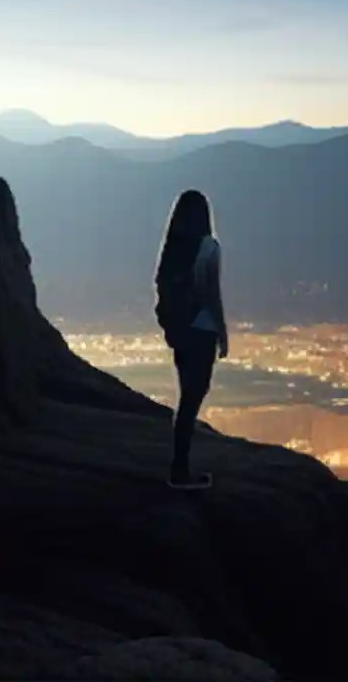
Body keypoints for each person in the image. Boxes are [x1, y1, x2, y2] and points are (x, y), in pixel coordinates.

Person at [154, 189, 228, 489]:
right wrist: (222, 331)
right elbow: (212, 294)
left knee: (186, 396)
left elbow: (161, 286)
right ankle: (180, 471)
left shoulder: (172, 248)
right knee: (194, 396)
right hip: (202, 329)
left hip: (180, 331)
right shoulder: (209, 247)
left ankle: (179, 467)